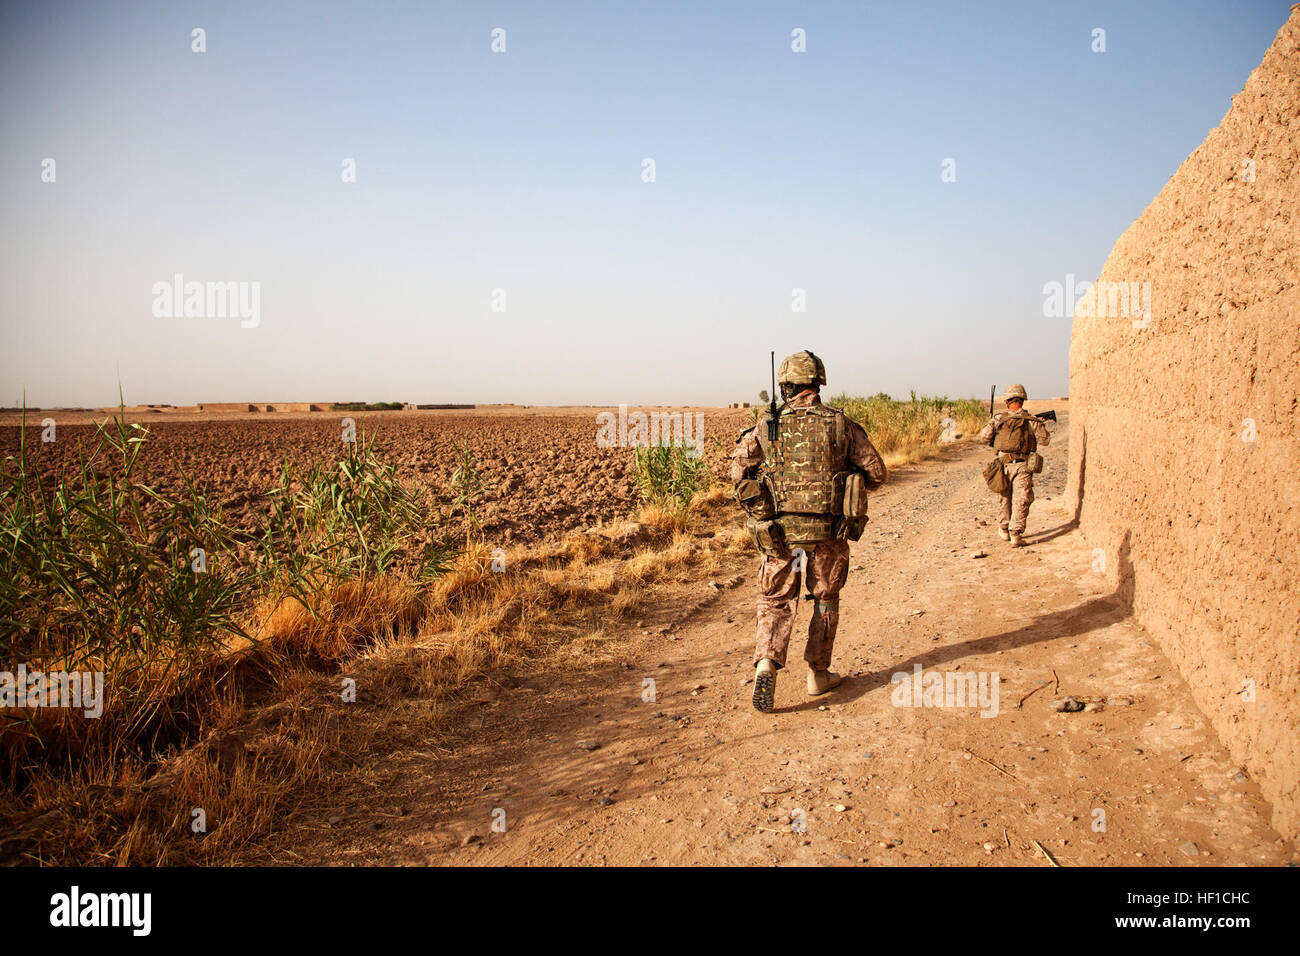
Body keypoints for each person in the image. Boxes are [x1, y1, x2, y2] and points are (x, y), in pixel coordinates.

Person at [731, 350, 887, 713]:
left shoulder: (766, 424)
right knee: (825, 600)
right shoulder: (840, 423)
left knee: (775, 600)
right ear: (818, 383)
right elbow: (877, 472)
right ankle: (818, 673)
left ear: (785, 386)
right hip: (828, 534)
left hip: (779, 536)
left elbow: (737, 475)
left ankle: (767, 663)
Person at [977, 384, 1051, 547]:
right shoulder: (1032, 421)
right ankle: (1015, 533)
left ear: (1006, 401)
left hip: (1003, 464)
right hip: (1023, 465)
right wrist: (1040, 424)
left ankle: (1004, 528)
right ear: (1023, 400)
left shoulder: (998, 419)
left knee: (1004, 497)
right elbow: (1045, 440)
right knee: (1022, 499)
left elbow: (983, 438)